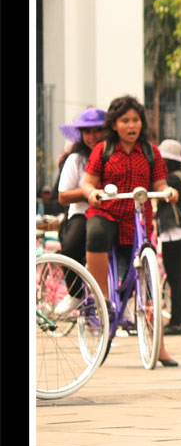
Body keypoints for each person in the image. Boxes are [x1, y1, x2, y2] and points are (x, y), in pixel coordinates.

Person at [81, 95, 179, 366]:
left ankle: (159, 347)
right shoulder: (102, 150)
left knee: (149, 283)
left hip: (138, 220)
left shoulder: (151, 151)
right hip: (108, 213)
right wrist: (93, 193)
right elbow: (89, 183)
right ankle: (100, 295)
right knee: (96, 233)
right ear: (114, 124)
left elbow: (160, 184)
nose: (131, 125)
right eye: (125, 120)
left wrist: (168, 191)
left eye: (135, 120)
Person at [54, 107, 109, 311]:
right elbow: (63, 196)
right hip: (81, 214)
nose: (92, 136)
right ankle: (75, 293)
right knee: (70, 245)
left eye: (97, 130)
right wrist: (90, 192)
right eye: (87, 131)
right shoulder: (76, 160)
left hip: (110, 213)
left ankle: (127, 297)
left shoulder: (114, 156)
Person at [154, 139, 181, 336]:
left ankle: (176, 322)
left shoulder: (170, 181)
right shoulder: (179, 178)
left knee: (175, 280)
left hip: (172, 235)